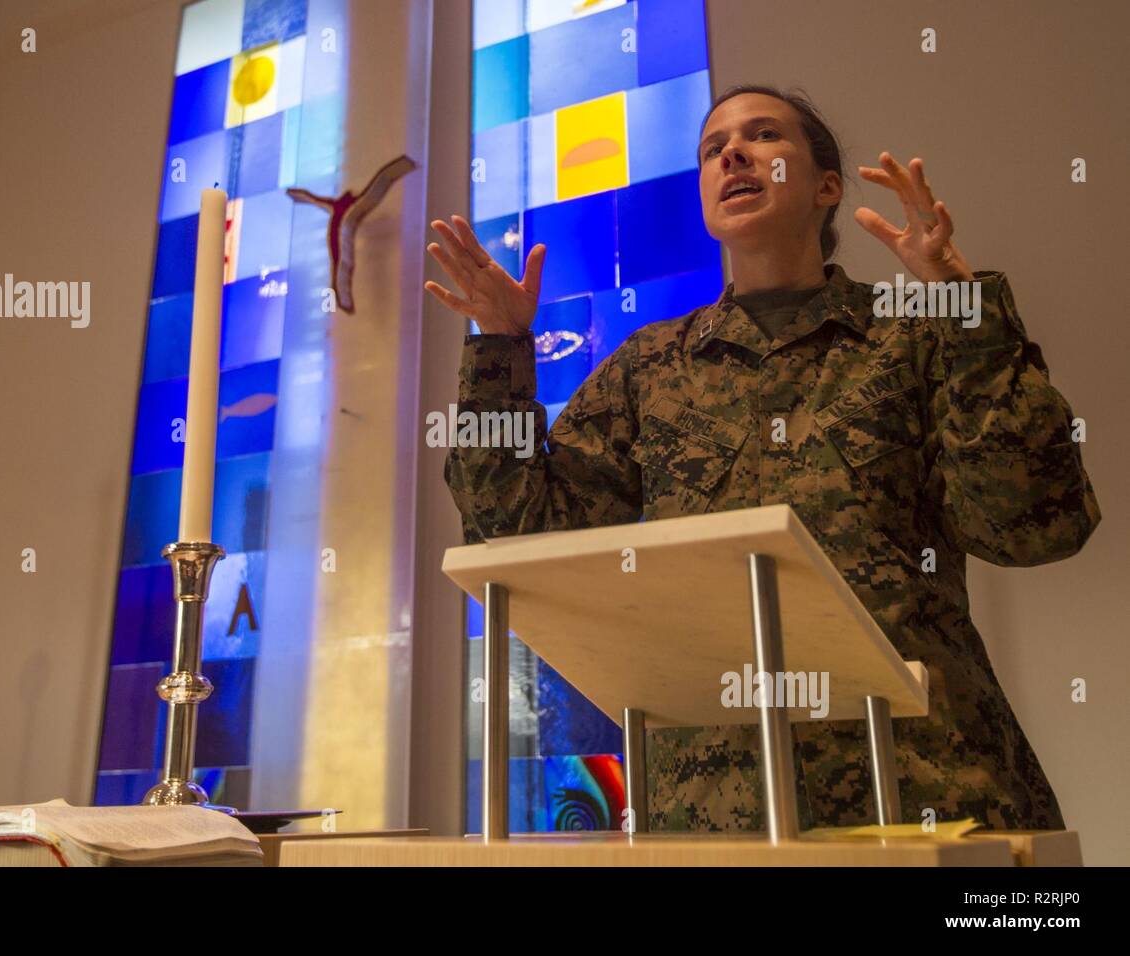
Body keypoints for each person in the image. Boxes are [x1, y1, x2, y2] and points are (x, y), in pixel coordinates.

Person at [424, 85, 1100, 832]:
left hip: (925, 787)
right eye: (713, 148)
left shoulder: (913, 338)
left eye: (763, 136)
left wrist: (963, 305)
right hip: (717, 812)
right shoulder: (652, 367)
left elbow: (1034, 526)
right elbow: (516, 530)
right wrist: (497, 349)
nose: (732, 155)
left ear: (826, 188)